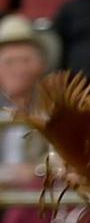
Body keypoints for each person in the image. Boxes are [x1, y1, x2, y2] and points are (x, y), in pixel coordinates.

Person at [0, 15, 56, 189]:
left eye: (26, 60)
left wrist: (36, 170)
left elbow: (67, 157)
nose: (18, 69)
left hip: (37, 195)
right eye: (9, 62)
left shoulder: (57, 106)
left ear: (41, 66)